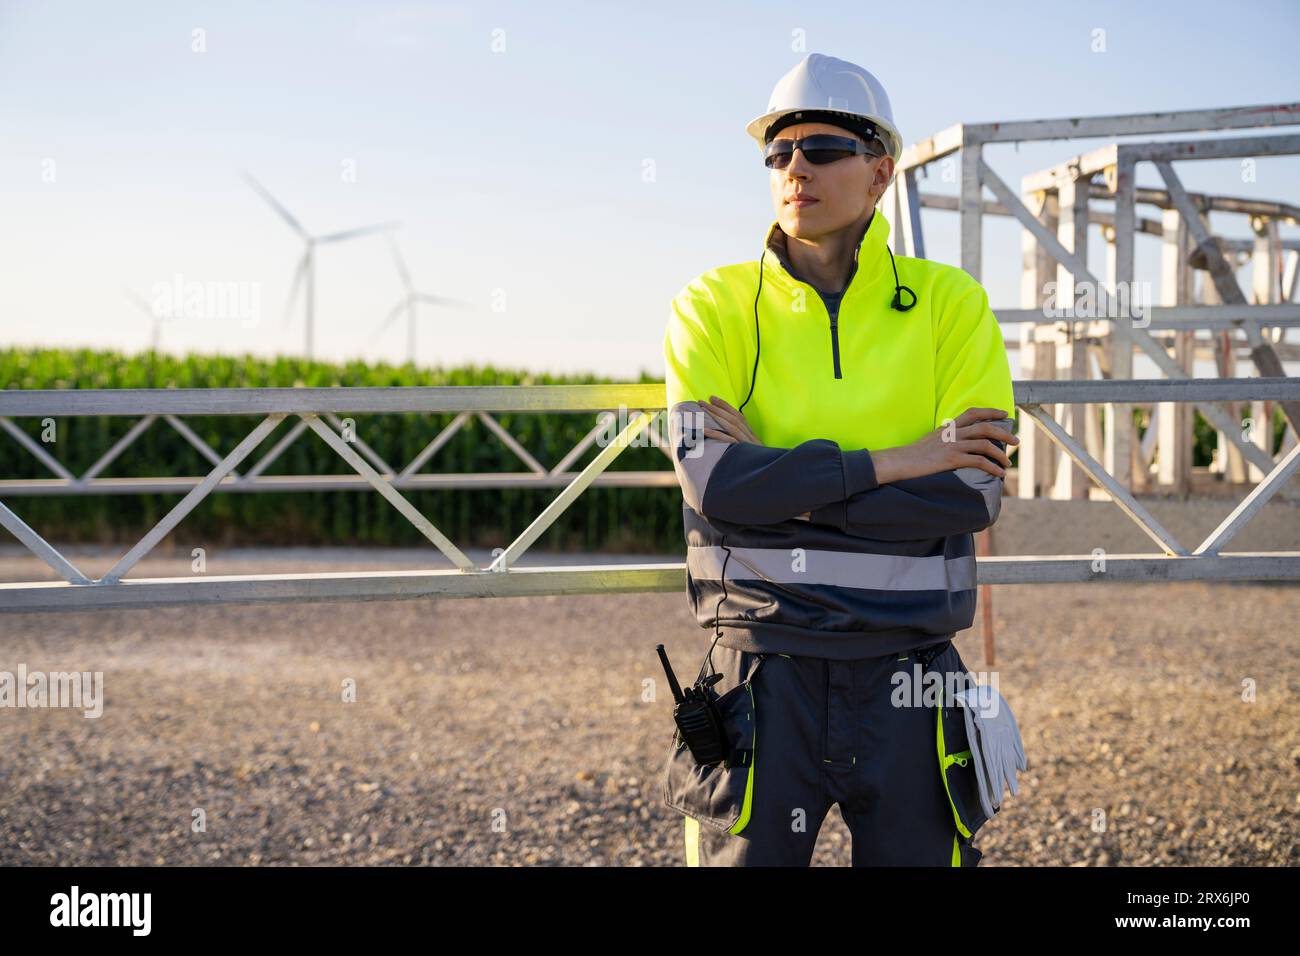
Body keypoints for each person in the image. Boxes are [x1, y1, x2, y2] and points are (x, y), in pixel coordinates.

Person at [660, 53, 1019, 866]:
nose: (795, 168)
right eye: (778, 153)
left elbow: (969, 493)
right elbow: (711, 482)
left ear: (881, 170)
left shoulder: (949, 304)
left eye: (822, 148)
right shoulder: (709, 305)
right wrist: (900, 460)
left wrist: (776, 482)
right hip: (758, 675)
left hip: (911, 677)